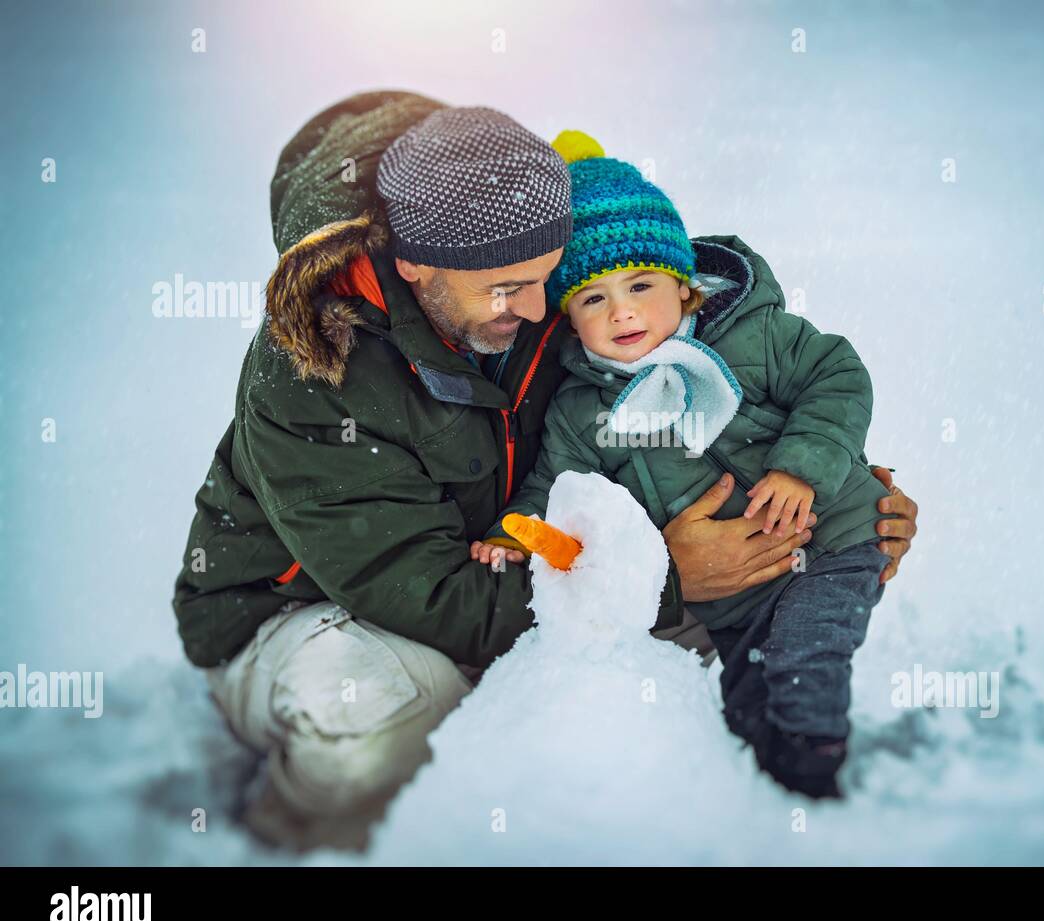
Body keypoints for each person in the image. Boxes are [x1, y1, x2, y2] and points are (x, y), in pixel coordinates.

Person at [173, 94, 920, 849]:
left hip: (522, 565)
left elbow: (678, 302)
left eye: (549, 277)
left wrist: (834, 489)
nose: (541, 310)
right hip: (318, 610)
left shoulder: (530, 275)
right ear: (417, 264)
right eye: (510, 287)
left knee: (749, 616)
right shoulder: (313, 372)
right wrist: (667, 579)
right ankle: (293, 841)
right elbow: (428, 594)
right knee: (396, 715)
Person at [473, 132, 897, 799]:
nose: (623, 311)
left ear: (685, 285)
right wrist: (518, 535)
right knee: (744, 697)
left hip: (829, 538)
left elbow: (837, 376)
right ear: (567, 318)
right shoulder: (584, 408)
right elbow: (554, 496)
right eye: (592, 299)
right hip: (733, 600)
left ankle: (817, 771)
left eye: (641, 284)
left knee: (803, 654)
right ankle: (778, 800)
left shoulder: (753, 336)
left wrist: (801, 469)